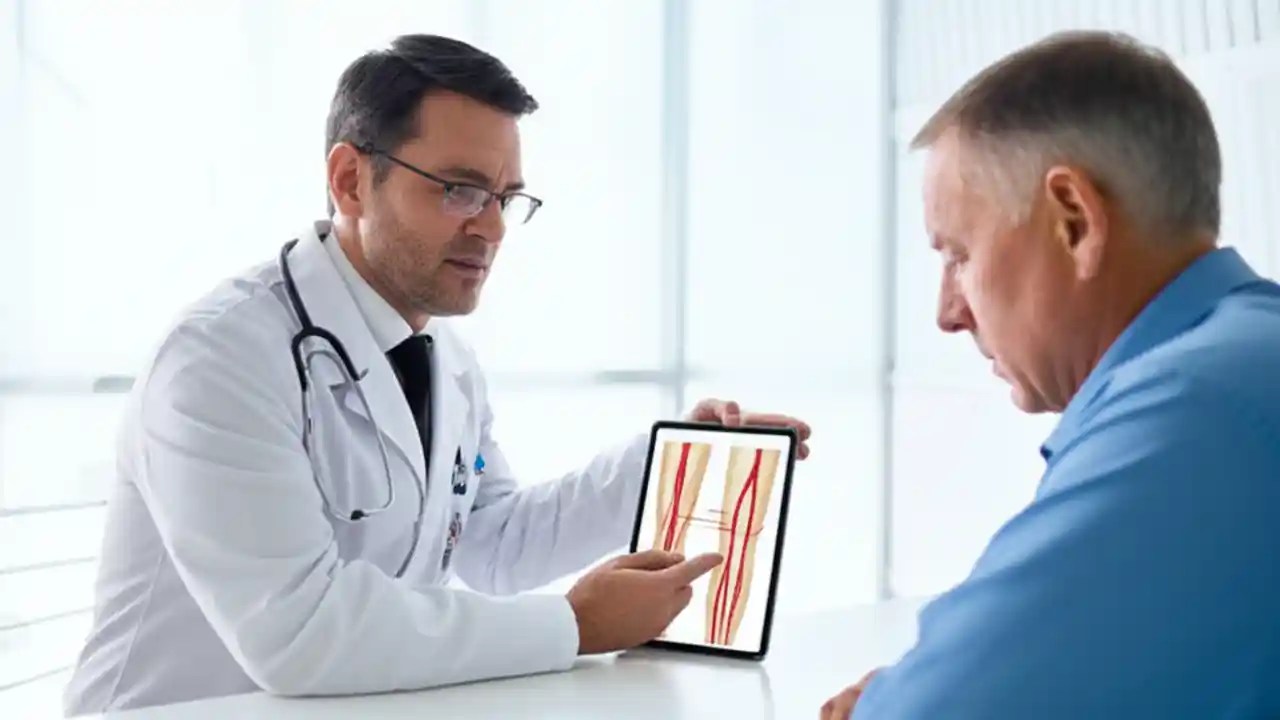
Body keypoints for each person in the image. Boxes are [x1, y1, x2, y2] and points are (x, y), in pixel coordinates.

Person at [63, 34, 810, 716]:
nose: (492, 227)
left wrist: (665, 459)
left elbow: (495, 546)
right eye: (459, 190)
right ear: (351, 180)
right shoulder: (221, 357)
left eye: (506, 198)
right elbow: (298, 633)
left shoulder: (442, 357)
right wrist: (575, 624)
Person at [822, 30, 1280, 719]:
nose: (947, 314)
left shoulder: (1195, 409)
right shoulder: (1246, 361)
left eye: (958, 256)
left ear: (1075, 223)